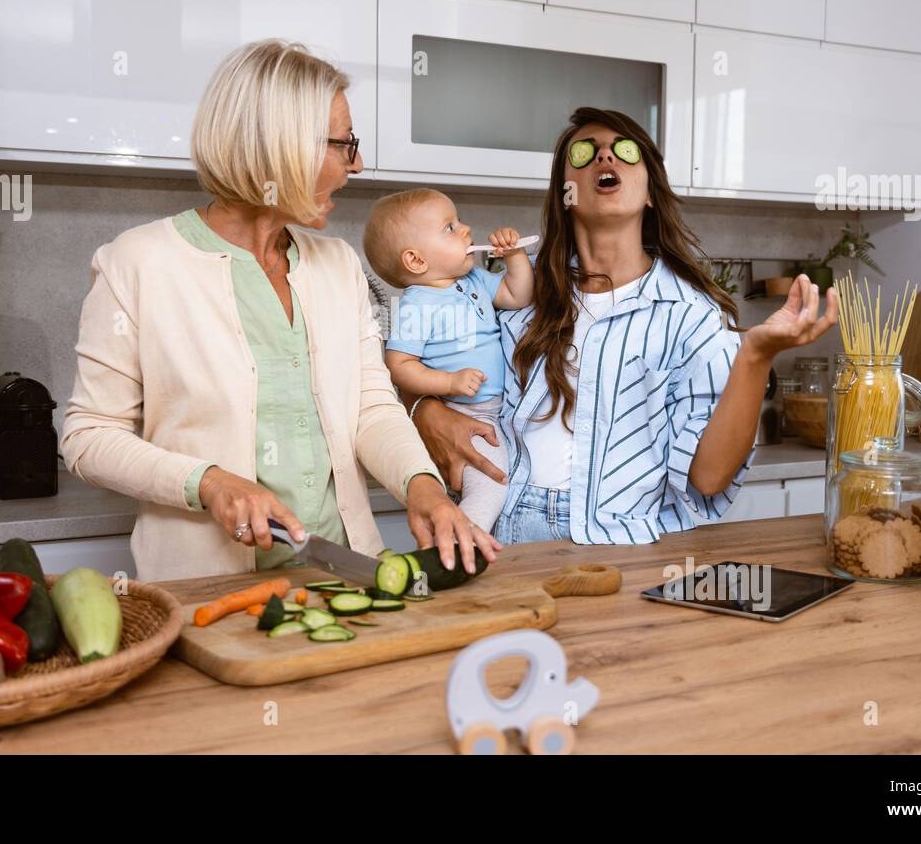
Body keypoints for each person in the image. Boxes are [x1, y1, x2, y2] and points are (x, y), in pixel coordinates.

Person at [61, 40, 502, 581]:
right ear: (283, 146)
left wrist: (422, 486)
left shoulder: (336, 264)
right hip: (204, 590)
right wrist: (210, 481)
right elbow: (88, 436)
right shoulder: (138, 263)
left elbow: (371, 405)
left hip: (345, 572)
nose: (357, 164)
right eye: (345, 144)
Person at [405, 106, 839, 544]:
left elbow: (708, 479)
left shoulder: (691, 314)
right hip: (503, 532)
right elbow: (404, 362)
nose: (606, 158)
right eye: (585, 154)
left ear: (650, 192)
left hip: (624, 545)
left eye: (625, 151)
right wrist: (427, 411)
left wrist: (756, 355)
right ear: (564, 193)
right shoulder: (513, 289)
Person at [363, 188, 533, 532]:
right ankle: (460, 544)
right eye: (449, 228)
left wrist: (514, 256)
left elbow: (518, 295)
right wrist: (449, 383)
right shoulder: (416, 303)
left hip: (498, 414)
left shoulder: (474, 280)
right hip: (463, 415)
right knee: (491, 488)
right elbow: (399, 365)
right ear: (416, 260)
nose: (466, 229)